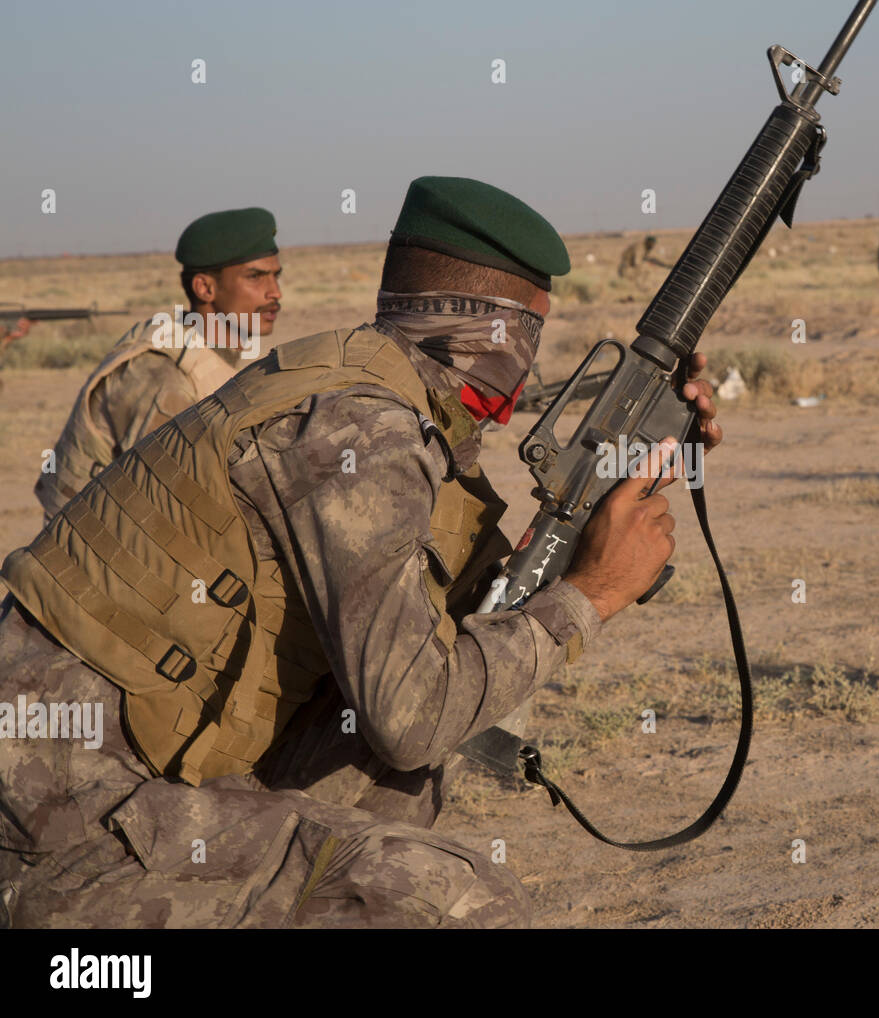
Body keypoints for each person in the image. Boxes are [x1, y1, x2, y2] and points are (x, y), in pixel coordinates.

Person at [0, 176, 721, 929]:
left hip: (126, 773)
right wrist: (591, 595)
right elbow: (415, 711)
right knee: (459, 899)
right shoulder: (361, 429)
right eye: (529, 334)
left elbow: (446, 647)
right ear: (489, 331)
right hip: (59, 826)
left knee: (393, 775)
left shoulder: (362, 388)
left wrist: (628, 482)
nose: (531, 362)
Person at [33, 208, 283, 519]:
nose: (275, 292)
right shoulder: (162, 376)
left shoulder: (208, 356)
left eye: (276, 276)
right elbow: (169, 509)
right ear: (205, 288)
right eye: (256, 276)